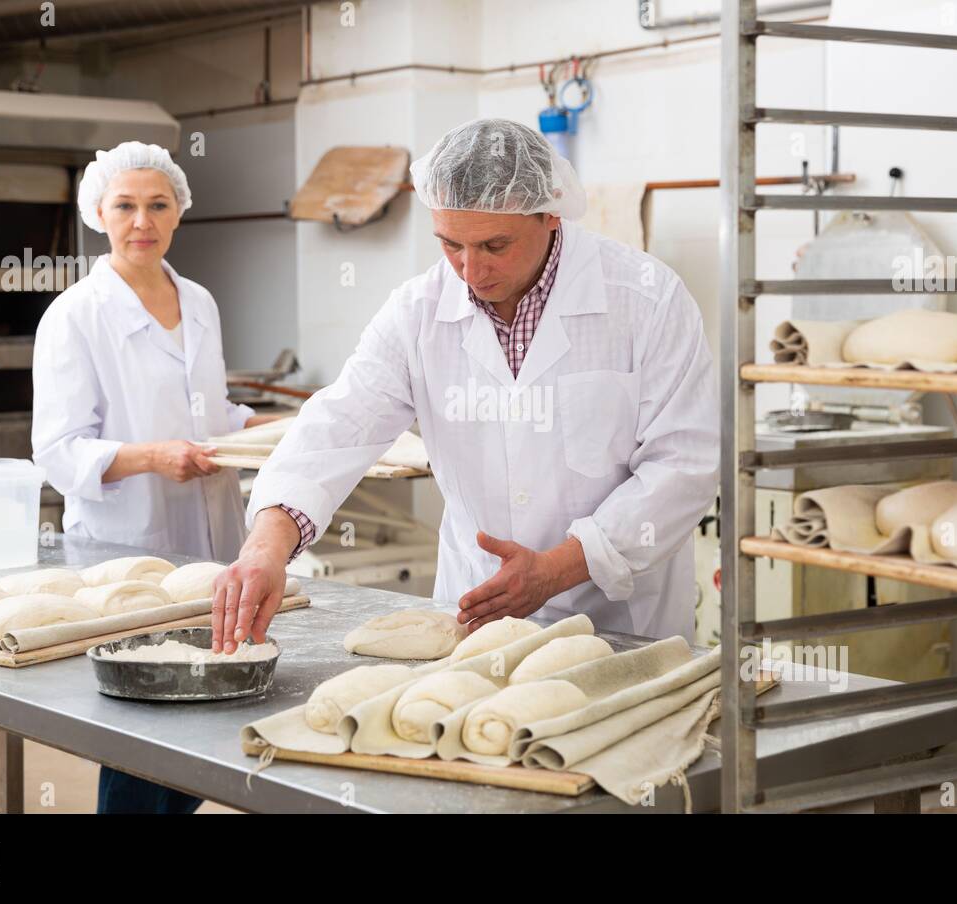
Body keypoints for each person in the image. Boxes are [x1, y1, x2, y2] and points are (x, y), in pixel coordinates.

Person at [212, 117, 719, 657]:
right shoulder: (418, 311)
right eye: (450, 244)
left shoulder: (645, 298)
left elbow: (684, 463)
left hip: (621, 622)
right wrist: (267, 547)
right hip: (474, 619)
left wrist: (562, 565)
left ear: (550, 214)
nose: (471, 270)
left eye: (495, 245)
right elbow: (338, 425)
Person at [32, 141, 279, 813]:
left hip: (211, 544)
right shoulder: (74, 315)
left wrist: (272, 427)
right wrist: (151, 457)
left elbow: (207, 410)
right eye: (126, 206)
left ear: (178, 213)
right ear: (99, 214)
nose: (142, 221)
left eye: (158, 205)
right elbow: (57, 448)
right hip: (129, 550)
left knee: (204, 714)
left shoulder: (198, 300)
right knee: (144, 724)